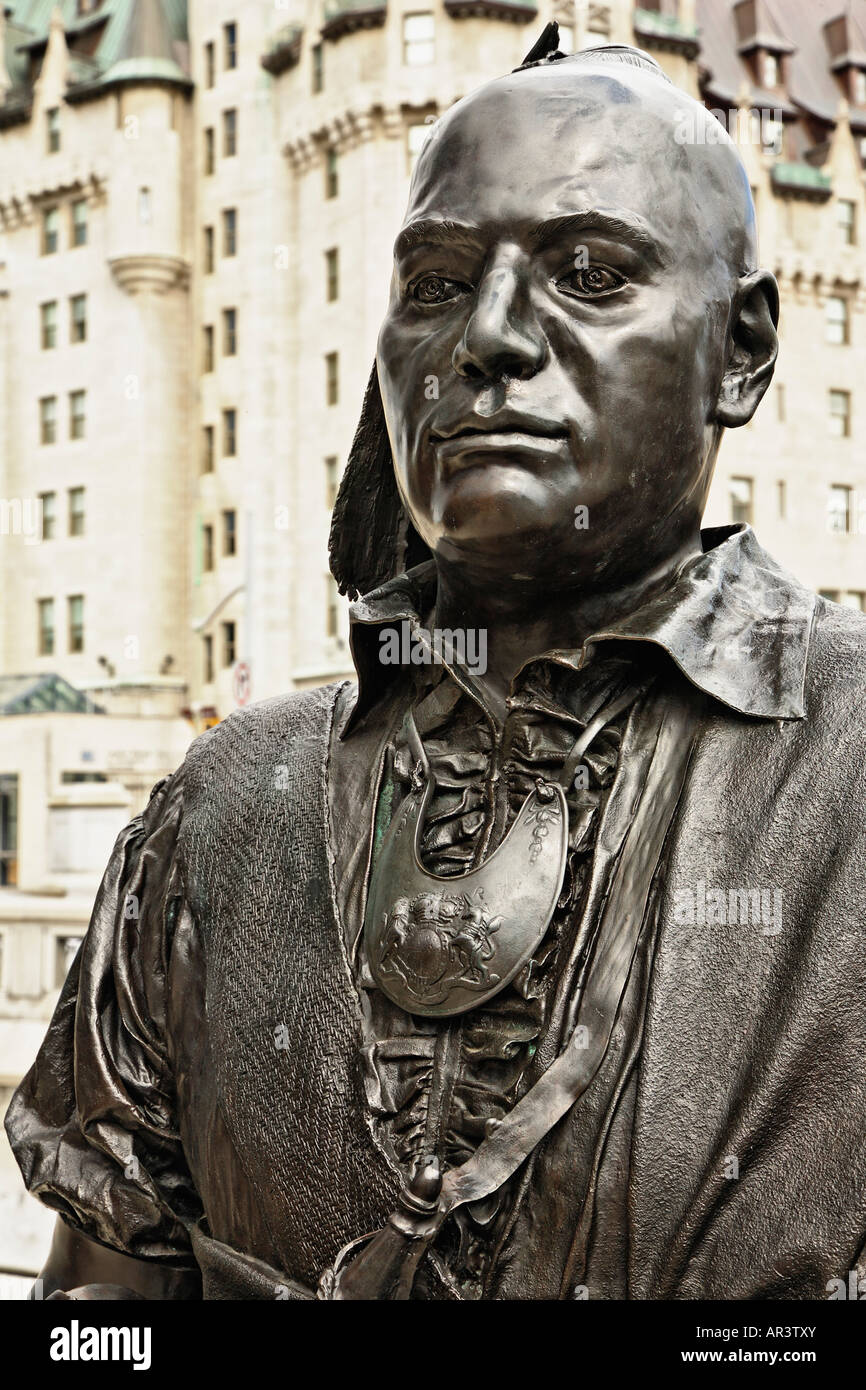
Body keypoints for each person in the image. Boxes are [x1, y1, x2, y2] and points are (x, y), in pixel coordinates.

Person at [7, 32, 866, 1301]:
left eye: (586, 272)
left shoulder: (841, 771)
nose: (491, 337)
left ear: (738, 351)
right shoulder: (224, 806)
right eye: (435, 281)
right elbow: (95, 1317)